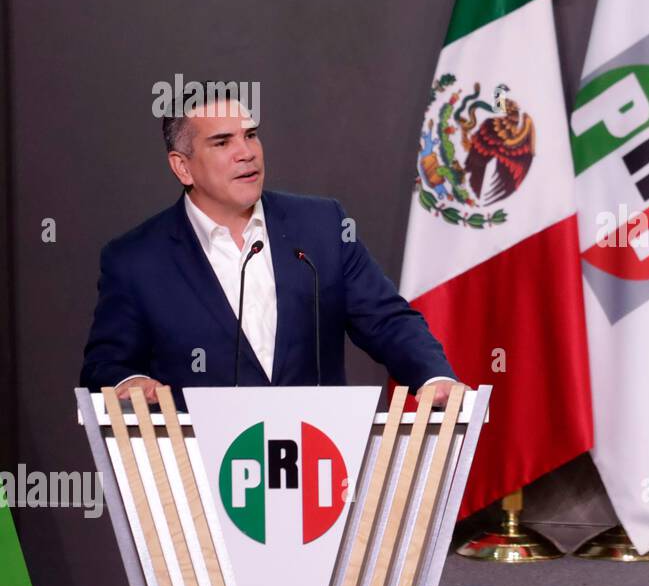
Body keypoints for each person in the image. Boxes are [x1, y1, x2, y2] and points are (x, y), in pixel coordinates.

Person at [80, 87, 455, 408]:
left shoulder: (321, 226)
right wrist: (129, 384)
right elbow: (105, 367)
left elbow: (387, 321)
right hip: (201, 479)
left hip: (318, 464)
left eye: (251, 135)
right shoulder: (136, 260)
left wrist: (432, 376)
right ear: (183, 168)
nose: (247, 152)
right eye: (222, 142)